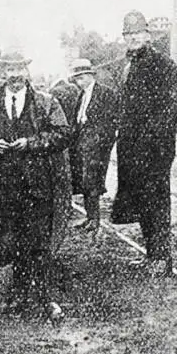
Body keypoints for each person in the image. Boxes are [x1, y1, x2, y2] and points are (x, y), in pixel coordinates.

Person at [0, 50, 71, 315]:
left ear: (27, 72)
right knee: (12, 242)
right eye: (10, 70)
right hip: (3, 186)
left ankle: (45, 299)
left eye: (20, 69)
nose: (15, 75)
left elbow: (62, 134)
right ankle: (19, 297)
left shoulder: (46, 103)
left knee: (39, 242)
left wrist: (31, 143)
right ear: (4, 73)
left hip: (37, 185)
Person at [111, 11, 177, 275]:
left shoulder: (163, 65)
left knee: (156, 201)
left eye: (137, 33)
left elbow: (176, 104)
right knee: (142, 201)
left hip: (155, 148)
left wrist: (153, 135)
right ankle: (150, 254)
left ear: (148, 35)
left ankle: (162, 260)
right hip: (131, 147)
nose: (132, 38)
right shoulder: (128, 66)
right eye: (128, 34)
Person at [68, 58, 120, 239]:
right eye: (76, 79)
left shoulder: (106, 94)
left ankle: (95, 220)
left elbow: (112, 121)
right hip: (82, 144)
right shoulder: (81, 95)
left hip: (97, 146)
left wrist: (100, 140)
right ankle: (90, 217)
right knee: (84, 181)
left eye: (81, 78)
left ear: (90, 76)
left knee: (93, 182)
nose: (78, 82)